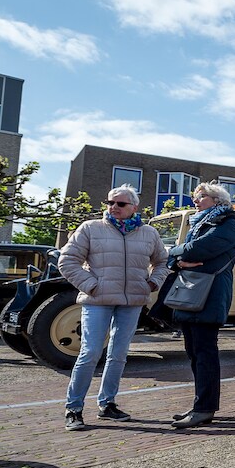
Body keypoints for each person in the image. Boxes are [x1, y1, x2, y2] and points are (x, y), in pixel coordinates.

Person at [59, 184, 169, 431]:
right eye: (110, 203)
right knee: (90, 353)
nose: (113, 207)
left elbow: (162, 262)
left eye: (120, 204)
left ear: (134, 207)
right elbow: (67, 261)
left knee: (118, 355)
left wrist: (152, 282)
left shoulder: (148, 233)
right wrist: (92, 286)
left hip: (132, 302)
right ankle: (73, 408)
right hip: (97, 301)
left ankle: (107, 404)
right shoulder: (90, 228)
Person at [168, 183, 235, 429]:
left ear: (217, 199)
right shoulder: (201, 223)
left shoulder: (228, 224)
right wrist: (180, 258)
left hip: (209, 294)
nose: (195, 201)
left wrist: (178, 253)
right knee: (194, 353)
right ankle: (201, 404)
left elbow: (195, 249)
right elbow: (181, 256)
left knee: (204, 353)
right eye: (194, 197)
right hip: (193, 293)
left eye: (200, 197)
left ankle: (204, 409)